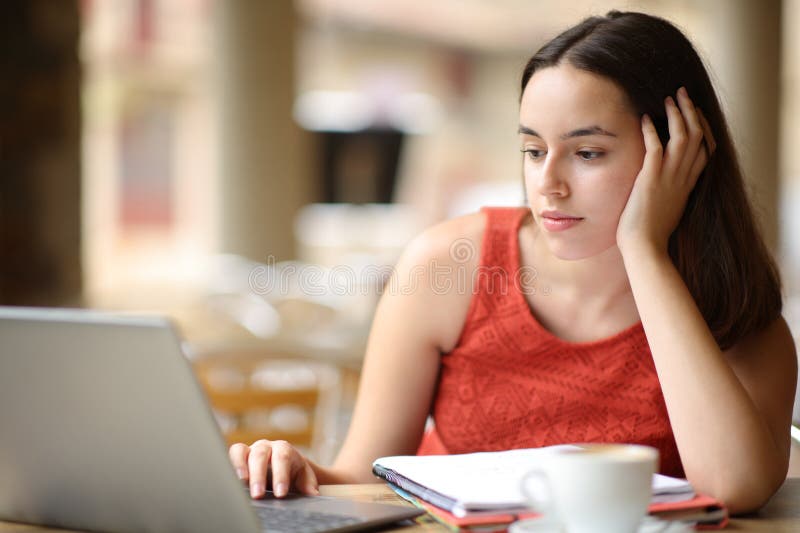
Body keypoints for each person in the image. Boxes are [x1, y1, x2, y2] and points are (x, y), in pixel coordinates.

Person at [229, 10, 797, 514]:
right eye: (532, 150)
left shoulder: (741, 319)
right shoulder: (447, 264)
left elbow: (735, 485)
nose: (547, 184)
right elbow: (359, 478)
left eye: (588, 153)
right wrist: (290, 471)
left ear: (679, 152)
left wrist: (645, 253)